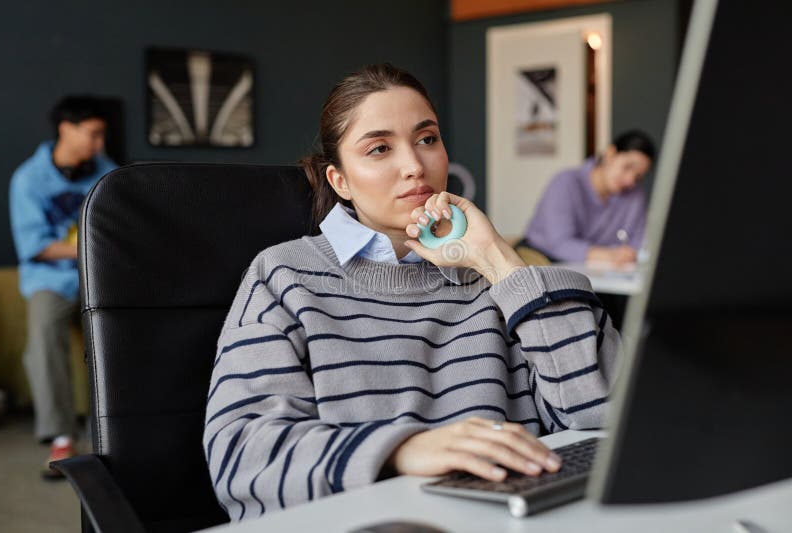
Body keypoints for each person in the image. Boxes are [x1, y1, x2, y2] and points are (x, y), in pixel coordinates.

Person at [204, 64, 621, 521]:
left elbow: (606, 422)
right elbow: (241, 454)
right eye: (379, 148)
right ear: (339, 180)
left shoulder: (504, 281)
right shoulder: (283, 277)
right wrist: (401, 449)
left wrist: (498, 260)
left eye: (427, 139)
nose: (415, 166)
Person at [9, 95, 117, 478]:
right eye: (93, 134)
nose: (99, 144)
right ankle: (61, 435)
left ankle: (113, 432)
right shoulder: (28, 180)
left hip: (98, 275)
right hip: (50, 281)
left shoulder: (106, 171)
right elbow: (36, 247)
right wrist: (83, 245)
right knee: (42, 336)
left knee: (121, 332)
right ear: (65, 129)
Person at [523, 131, 656, 266]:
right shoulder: (566, 182)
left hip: (595, 268)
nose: (630, 180)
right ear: (610, 154)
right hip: (541, 259)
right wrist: (609, 255)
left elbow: (638, 243)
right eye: (627, 167)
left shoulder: (635, 195)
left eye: (638, 176)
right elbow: (559, 243)